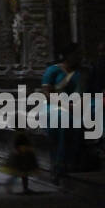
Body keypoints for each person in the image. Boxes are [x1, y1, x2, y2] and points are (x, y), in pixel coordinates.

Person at [41, 41, 83, 185]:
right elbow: (47, 93)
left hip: (76, 106)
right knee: (63, 119)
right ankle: (59, 165)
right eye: (75, 54)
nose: (78, 57)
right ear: (67, 55)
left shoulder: (80, 72)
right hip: (53, 106)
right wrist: (65, 105)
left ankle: (69, 162)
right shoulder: (53, 70)